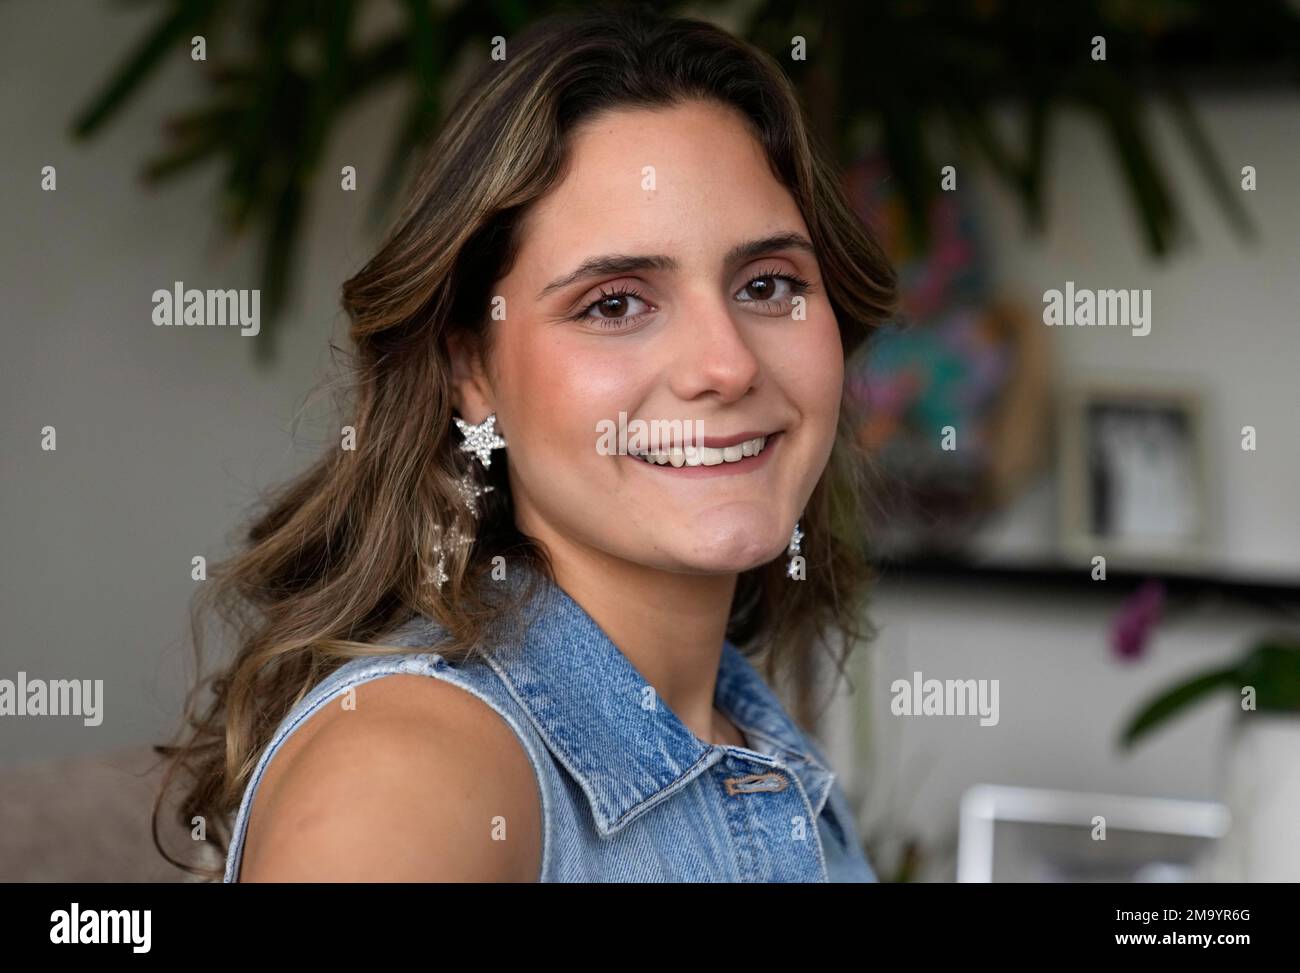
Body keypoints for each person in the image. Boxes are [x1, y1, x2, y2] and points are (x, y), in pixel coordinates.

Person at [154, 2, 897, 883]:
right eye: (615, 303)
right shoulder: (412, 771)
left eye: (769, 283)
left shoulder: (761, 749)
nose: (727, 364)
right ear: (471, 367)